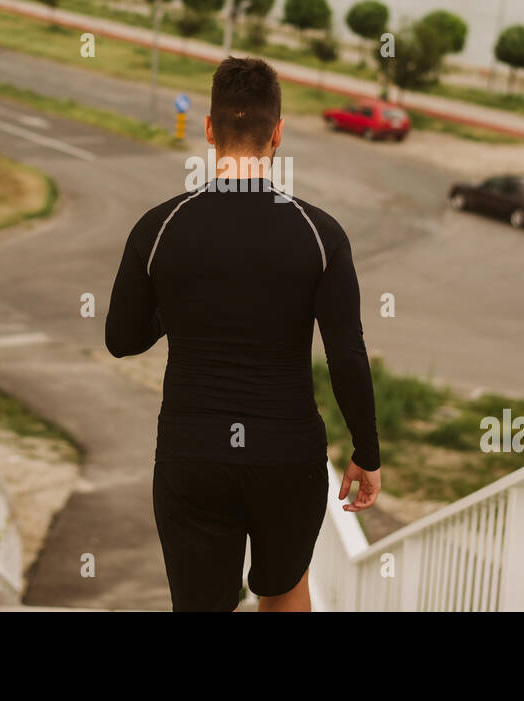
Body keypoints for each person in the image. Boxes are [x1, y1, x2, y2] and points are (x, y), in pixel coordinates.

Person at [105, 56, 381, 612]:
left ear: (209, 130)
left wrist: (175, 311)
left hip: (192, 453)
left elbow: (122, 338)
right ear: (277, 133)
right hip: (287, 456)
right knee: (281, 594)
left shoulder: (159, 226)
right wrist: (367, 452)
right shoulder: (320, 233)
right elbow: (346, 353)